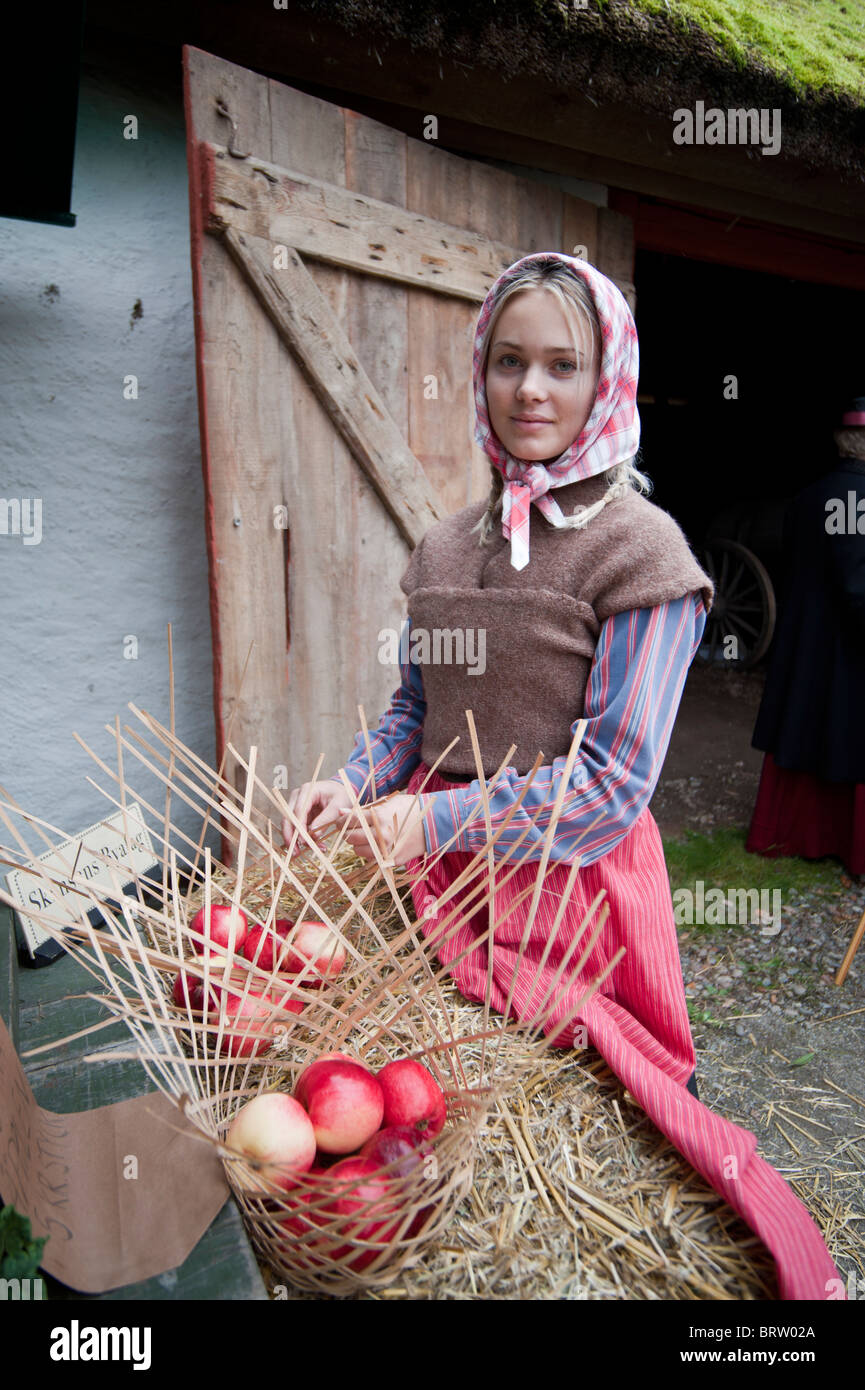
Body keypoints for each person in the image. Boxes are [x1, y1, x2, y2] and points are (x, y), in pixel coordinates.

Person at [282, 252, 840, 1299]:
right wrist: (353, 783)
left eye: (561, 365)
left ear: (606, 381)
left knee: (602, 1113)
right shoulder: (444, 547)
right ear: (480, 372)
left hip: (560, 890)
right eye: (506, 361)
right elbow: (415, 709)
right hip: (418, 876)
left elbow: (609, 789)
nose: (529, 388)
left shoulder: (641, 553)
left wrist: (432, 823)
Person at [747, 396, 865, 876]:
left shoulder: (809, 496)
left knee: (806, 732)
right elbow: (858, 587)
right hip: (849, 652)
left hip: (807, 644)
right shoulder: (856, 500)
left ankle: (792, 832)